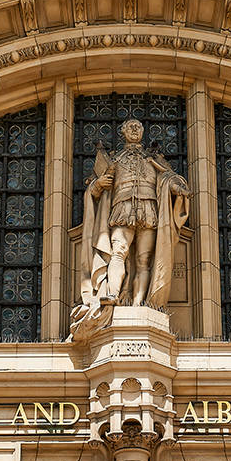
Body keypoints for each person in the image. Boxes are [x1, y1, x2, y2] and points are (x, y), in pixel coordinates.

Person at [73, 120, 189, 334]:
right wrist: (98, 185)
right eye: (130, 126)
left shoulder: (154, 158)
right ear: (123, 131)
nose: (135, 130)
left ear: (142, 132)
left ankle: (139, 305)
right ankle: (113, 295)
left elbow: (168, 177)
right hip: (122, 207)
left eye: (138, 127)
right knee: (118, 251)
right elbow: (95, 185)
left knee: (143, 260)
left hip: (148, 208)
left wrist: (176, 186)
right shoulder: (114, 159)